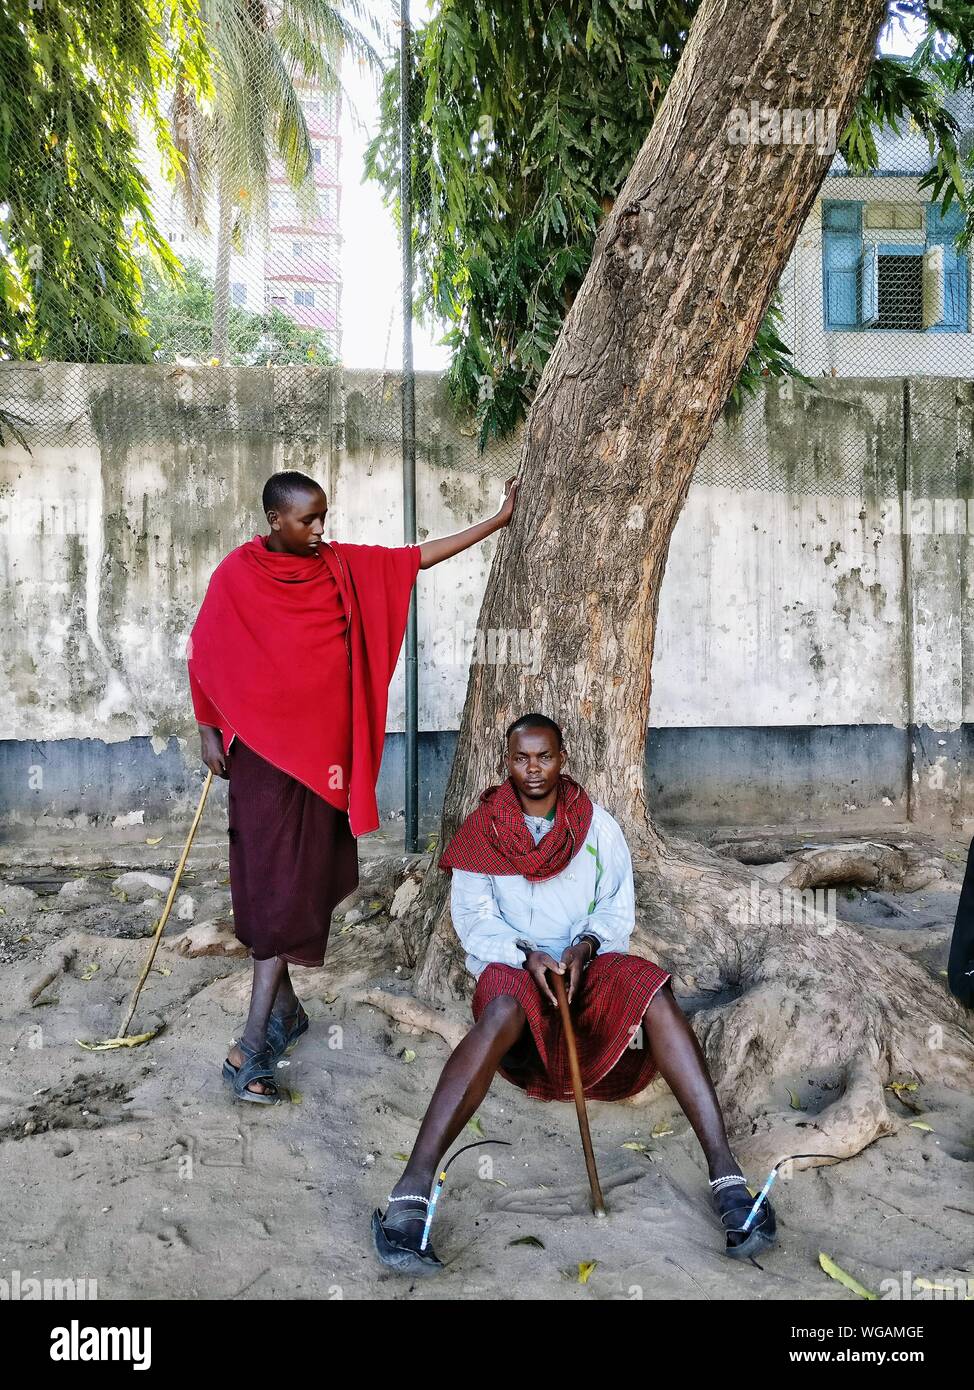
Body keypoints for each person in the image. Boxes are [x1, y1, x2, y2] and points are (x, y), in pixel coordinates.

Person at [371, 713, 777, 1272]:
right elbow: (472, 920)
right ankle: (411, 1193)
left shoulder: (595, 826)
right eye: (522, 758)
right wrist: (524, 954)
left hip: (582, 965)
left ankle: (728, 1176)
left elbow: (616, 905)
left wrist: (585, 946)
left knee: (650, 990)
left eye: (545, 757)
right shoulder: (482, 829)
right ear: (506, 762)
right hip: (513, 967)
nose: (533, 769)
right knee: (502, 1006)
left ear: (562, 760)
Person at [187, 468, 517, 1103]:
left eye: (323, 517)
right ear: (274, 522)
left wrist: (497, 523)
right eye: (308, 520)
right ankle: (277, 1019)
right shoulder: (237, 573)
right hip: (257, 756)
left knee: (292, 884)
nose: (320, 529)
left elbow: (412, 560)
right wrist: (208, 726)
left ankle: (253, 1041)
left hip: (320, 763)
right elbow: (206, 649)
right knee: (263, 884)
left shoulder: (337, 566)